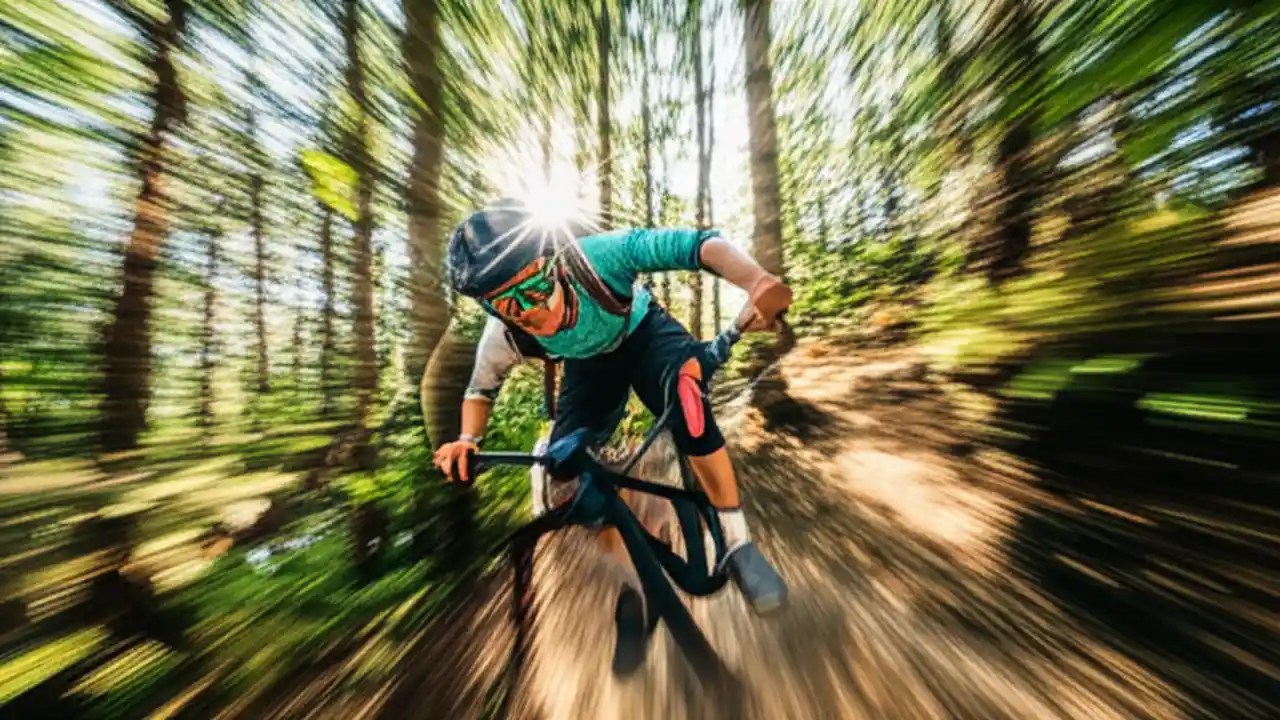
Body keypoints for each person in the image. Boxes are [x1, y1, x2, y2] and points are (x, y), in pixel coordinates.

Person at [433, 199, 791, 675]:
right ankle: (634, 583)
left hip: (645, 336)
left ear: (557, 263)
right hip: (589, 368)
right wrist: (467, 439)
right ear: (490, 307)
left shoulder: (600, 259)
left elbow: (700, 246)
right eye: (507, 305)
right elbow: (480, 390)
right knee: (570, 475)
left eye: (536, 287)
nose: (529, 310)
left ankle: (737, 544)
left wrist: (756, 282)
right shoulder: (503, 336)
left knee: (687, 405)